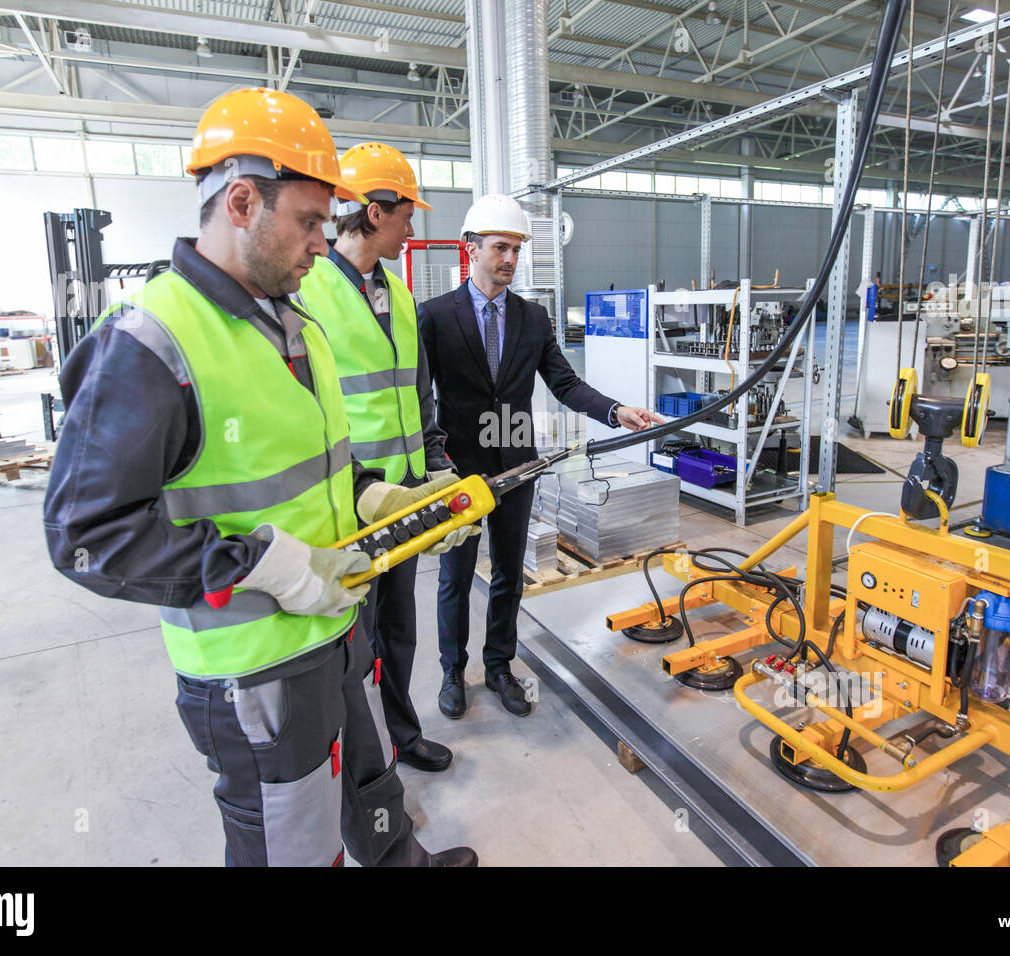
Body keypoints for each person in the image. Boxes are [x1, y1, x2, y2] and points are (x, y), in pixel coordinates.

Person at [42, 88, 474, 867]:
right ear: (242, 201)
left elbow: (315, 465)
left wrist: (375, 495)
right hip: (252, 672)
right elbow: (84, 537)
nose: (323, 242)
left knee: (369, 784)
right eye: (309, 222)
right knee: (292, 844)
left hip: (333, 626)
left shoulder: (296, 324)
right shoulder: (152, 342)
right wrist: (261, 566)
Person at [417, 194, 663, 719]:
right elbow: (419, 397)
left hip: (517, 465)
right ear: (471, 247)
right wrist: (432, 460)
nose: (509, 259)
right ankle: (451, 671)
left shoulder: (533, 318)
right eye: (500, 247)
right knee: (455, 577)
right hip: (457, 469)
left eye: (516, 249)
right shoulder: (435, 317)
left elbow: (564, 382)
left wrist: (615, 410)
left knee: (509, 572)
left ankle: (500, 666)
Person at [296, 142, 473, 774]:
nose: (412, 226)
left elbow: (415, 388)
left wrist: (433, 465)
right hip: (349, 502)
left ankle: (401, 736)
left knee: (400, 630)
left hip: (403, 493)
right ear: (374, 212)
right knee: (353, 643)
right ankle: (361, 765)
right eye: (405, 215)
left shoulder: (397, 290)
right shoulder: (308, 290)